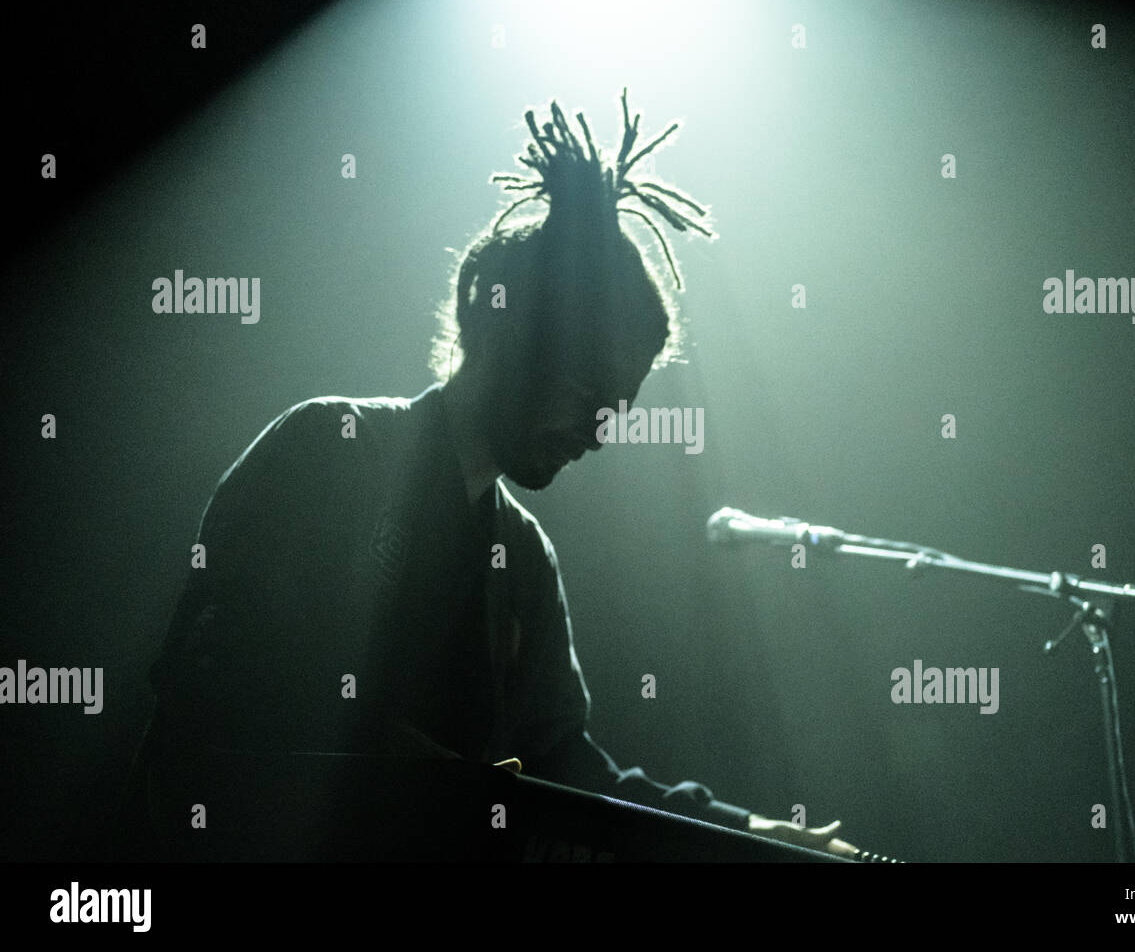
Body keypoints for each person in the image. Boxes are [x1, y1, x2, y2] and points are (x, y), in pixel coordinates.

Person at [120, 89, 857, 860]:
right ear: (511, 331)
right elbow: (221, 678)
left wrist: (743, 833)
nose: (600, 435)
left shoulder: (524, 557)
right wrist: (441, 777)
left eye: (619, 409)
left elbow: (564, 765)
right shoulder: (329, 447)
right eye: (589, 392)